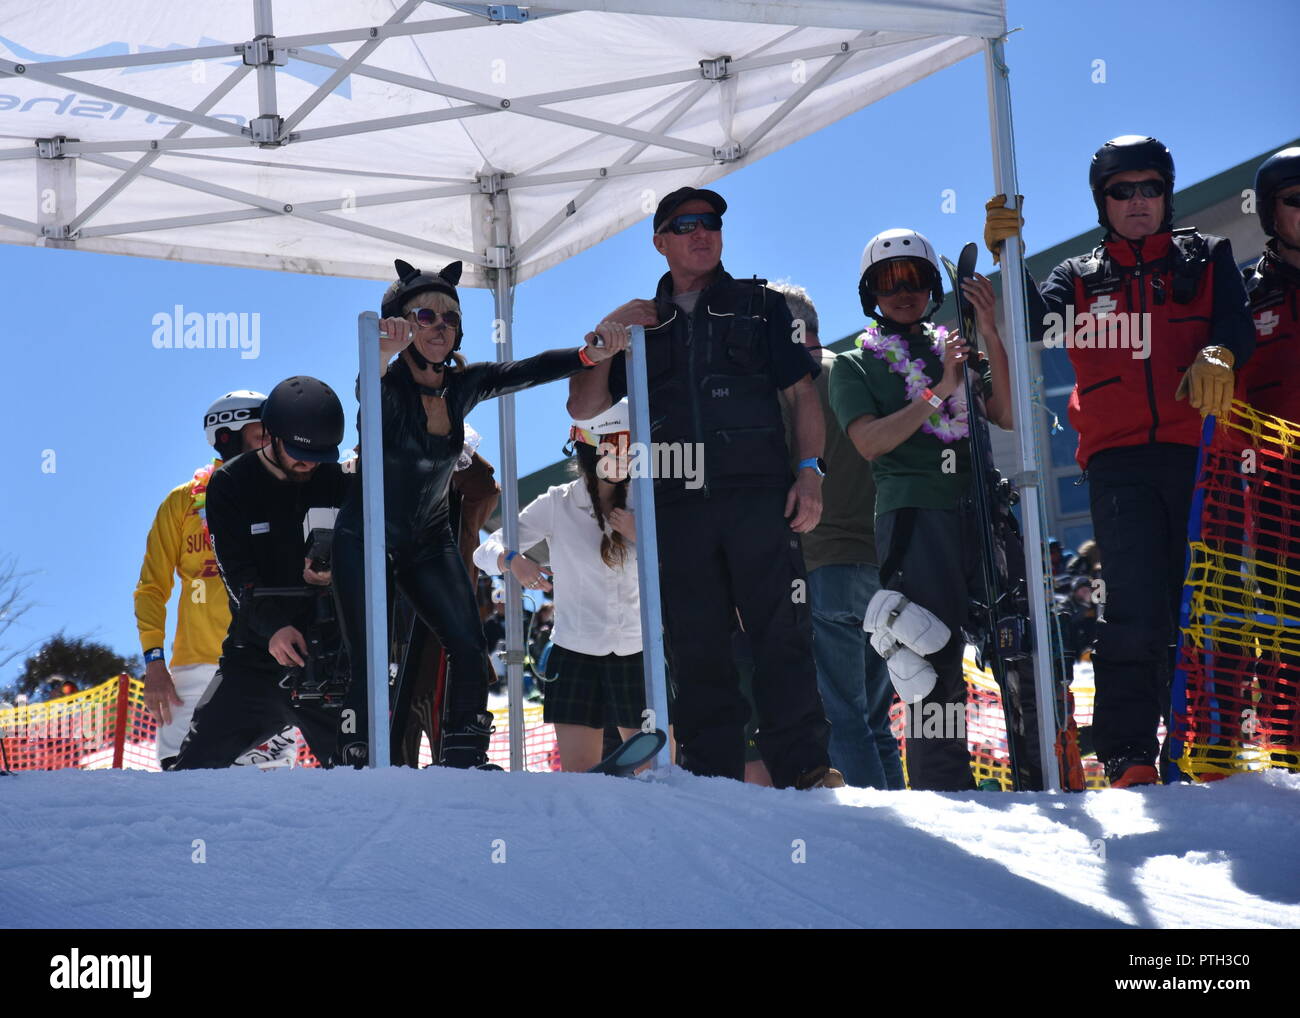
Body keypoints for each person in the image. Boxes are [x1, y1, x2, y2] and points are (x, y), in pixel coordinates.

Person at [985, 134, 1255, 787]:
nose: (1138, 201)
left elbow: (1237, 323)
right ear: (1102, 202)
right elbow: (1032, 323)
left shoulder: (1208, 256)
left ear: (1167, 194)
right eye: (1121, 190)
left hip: (1199, 455)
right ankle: (1128, 752)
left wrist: (1220, 351)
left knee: (1206, 601)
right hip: (1118, 463)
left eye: (1150, 188)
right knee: (1133, 606)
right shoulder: (1078, 276)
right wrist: (1008, 255)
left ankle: (1209, 743)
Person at [567, 187, 840, 790]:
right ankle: (711, 778)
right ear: (660, 242)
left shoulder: (763, 307)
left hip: (759, 497)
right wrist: (607, 332)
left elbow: (802, 394)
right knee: (696, 644)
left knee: (781, 635)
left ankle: (806, 770)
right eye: (685, 224)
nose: (702, 232)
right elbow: (583, 409)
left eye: (711, 222)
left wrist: (810, 473)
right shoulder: (639, 324)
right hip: (676, 508)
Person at [332, 259, 626, 768]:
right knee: (368, 654)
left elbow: (525, 370)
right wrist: (378, 354)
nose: (440, 328)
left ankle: (465, 752)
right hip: (366, 537)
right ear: (401, 325)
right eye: (425, 317)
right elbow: (367, 393)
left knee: (468, 644)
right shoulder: (387, 383)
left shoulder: (462, 385)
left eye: (450, 318)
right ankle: (359, 755)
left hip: (427, 539)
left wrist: (588, 355)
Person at [829, 228, 1017, 792]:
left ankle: (1037, 770)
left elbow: (1007, 415)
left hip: (983, 510)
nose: (903, 292)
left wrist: (990, 332)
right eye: (888, 282)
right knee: (931, 655)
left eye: (913, 278)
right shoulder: (854, 364)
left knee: (1020, 642)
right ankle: (945, 787)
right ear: (870, 294)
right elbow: (869, 442)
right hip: (915, 519)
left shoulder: (956, 347)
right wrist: (939, 390)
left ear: (933, 286)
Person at [171, 377, 352, 770]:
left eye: (319, 455)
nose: (309, 463)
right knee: (192, 771)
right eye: (299, 452)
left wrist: (332, 579)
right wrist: (274, 629)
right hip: (254, 660)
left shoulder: (339, 481)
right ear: (271, 434)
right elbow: (235, 572)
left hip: (331, 662)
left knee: (367, 774)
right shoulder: (231, 483)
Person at [771, 282, 903, 790]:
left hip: (821, 564)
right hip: (880, 565)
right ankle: (897, 813)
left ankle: (872, 826)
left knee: (843, 720)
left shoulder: (787, 387)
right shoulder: (859, 371)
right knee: (877, 721)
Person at [474, 400, 650, 772]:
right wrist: (513, 561)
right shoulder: (558, 502)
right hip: (574, 655)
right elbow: (484, 552)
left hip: (640, 653)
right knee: (580, 780)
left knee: (657, 775)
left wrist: (645, 537)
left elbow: (687, 562)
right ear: (589, 449)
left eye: (631, 446)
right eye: (615, 444)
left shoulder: (648, 501)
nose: (624, 455)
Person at [135, 390, 294, 769]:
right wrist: (154, 663)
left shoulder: (288, 493)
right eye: (262, 435)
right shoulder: (181, 503)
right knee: (183, 780)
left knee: (270, 789)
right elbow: (151, 589)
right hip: (194, 671)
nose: (273, 444)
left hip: (269, 664)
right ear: (228, 437)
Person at [1238, 147, 1300, 765]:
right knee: (1286, 625)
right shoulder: (1243, 296)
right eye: (1296, 200)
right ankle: (1288, 754)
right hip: (1278, 487)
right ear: (1269, 213)